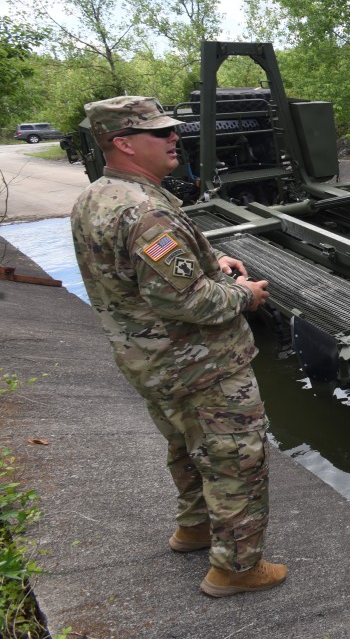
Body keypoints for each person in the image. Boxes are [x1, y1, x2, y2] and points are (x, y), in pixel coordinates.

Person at [69, 95, 287, 598]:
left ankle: (194, 530)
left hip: (150, 361)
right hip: (200, 365)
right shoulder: (146, 212)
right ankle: (236, 568)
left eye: (172, 129)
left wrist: (213, 262)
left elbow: (141, 274)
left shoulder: (98, 196)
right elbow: (188, 300)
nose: (174, 138)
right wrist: (243, 294)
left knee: (187, 448)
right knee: (237, 460)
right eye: (159, 133)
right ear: (123, 142)